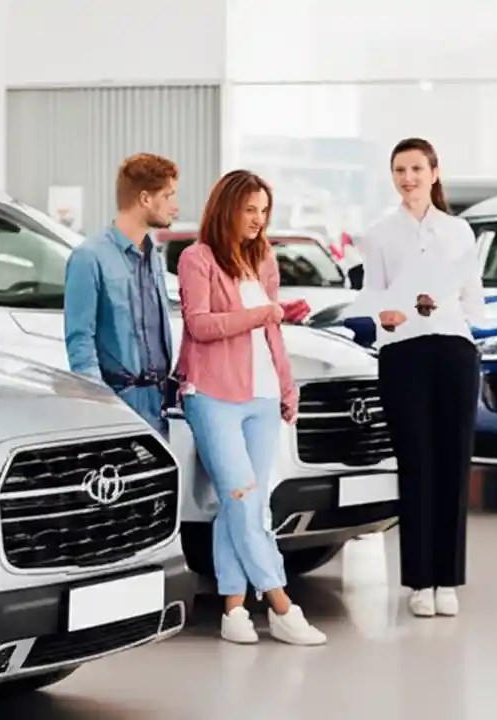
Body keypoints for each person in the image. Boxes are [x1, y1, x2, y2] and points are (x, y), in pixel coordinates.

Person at [175, 169, 321, 646]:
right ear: (227, 208)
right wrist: (265, 313)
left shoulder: (264, 258)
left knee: (246, 506)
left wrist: (286, 384)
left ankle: (234, 612)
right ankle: (281, 604)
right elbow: (199, 325)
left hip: (261, 396)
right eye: (249, 209)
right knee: (241, 498)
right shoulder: (196, 259)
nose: (258, 220)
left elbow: (272, 331)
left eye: (264, 211)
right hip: (212, 394)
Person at [352, 137, 485, 618]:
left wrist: (445, 306)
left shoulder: (459, 231)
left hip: (453, 349)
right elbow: (371, 296)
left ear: (434, 172)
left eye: (415, 169)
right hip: (402, 352)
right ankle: (418, 581)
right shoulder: (380, 233)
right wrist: (385, 315)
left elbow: (474, 299)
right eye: (399, 170)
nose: (407, 178)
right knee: (416, 463)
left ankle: (446, 579)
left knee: (452, 464)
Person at [63, 153, 179, 435]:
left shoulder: (153, 257)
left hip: (159, 404)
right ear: (145, 199)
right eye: (169, 195)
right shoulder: (89, 257)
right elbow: (80, 341)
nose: (175, 206)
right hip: (118, 404)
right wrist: (100, 405)